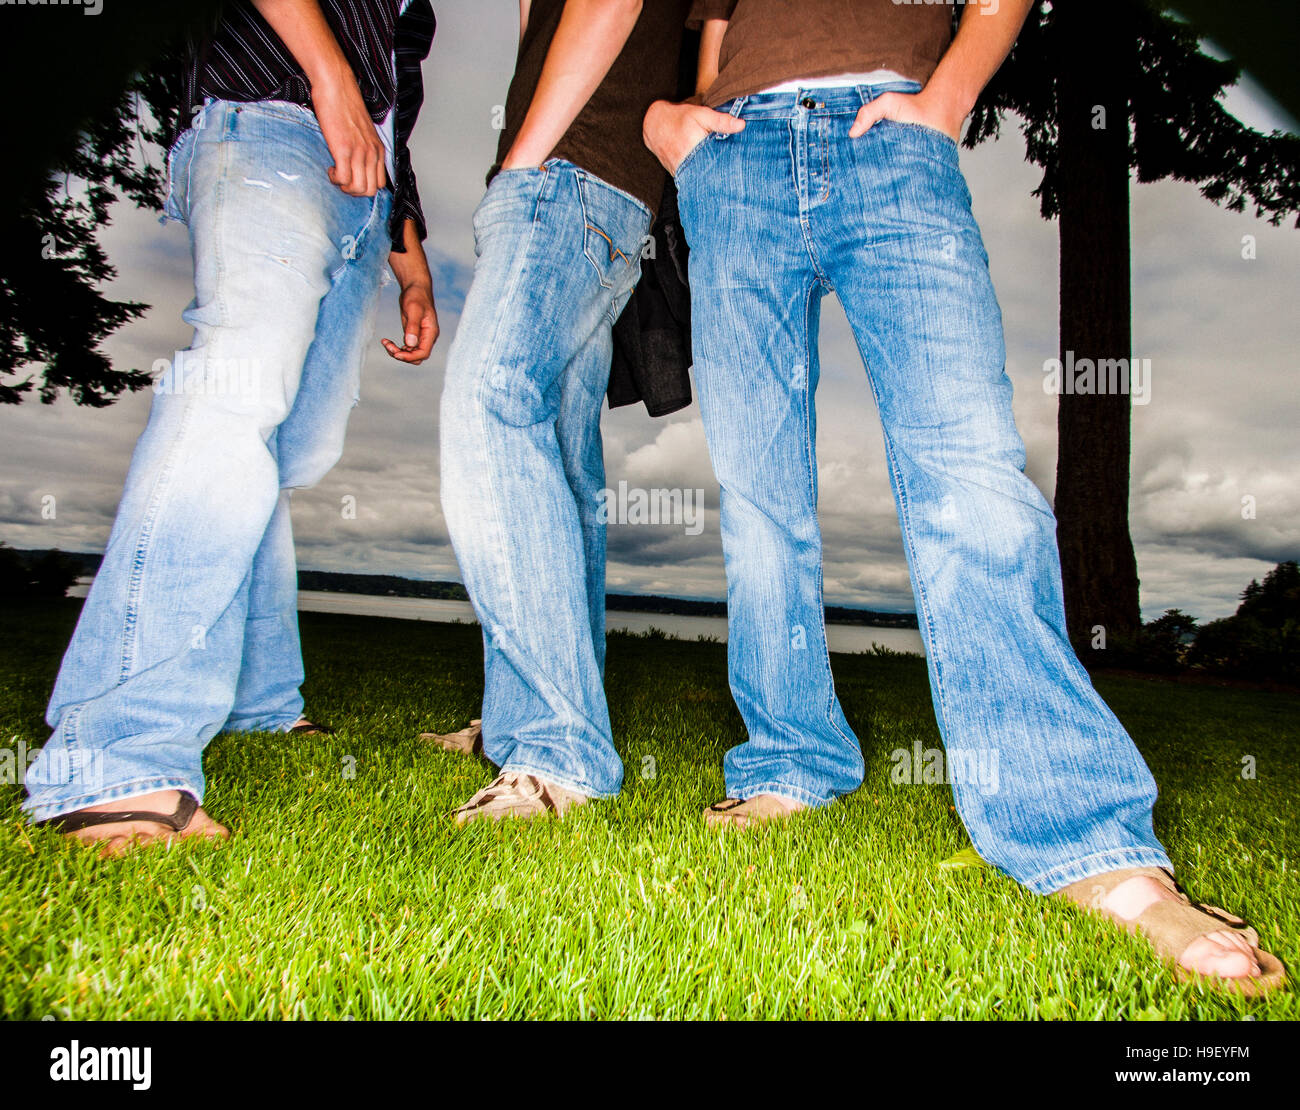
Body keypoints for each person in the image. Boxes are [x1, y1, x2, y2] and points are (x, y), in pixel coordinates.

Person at [642, 0, 1284, 993]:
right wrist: (676, 120)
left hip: (892, 136)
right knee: (756, 495)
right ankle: (787, 758)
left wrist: (949, 93)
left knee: (969, 475)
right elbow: (717, 22)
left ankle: (1079, 832)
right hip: (735, 158)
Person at [24, 0, 439, 855]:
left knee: (291, 452)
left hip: (365, 198)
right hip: (275, 124)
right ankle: (118, 757)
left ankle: (259, 702)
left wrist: (412, 264)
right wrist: (329, 78)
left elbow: (393, 110)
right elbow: (347, 79)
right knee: (237, 383)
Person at [435, 0, 691, 825]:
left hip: (568, 175)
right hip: (605, 190)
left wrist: (520, 164)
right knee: (564, 459)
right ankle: (523, 725)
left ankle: (560, 746)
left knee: (490, 405)